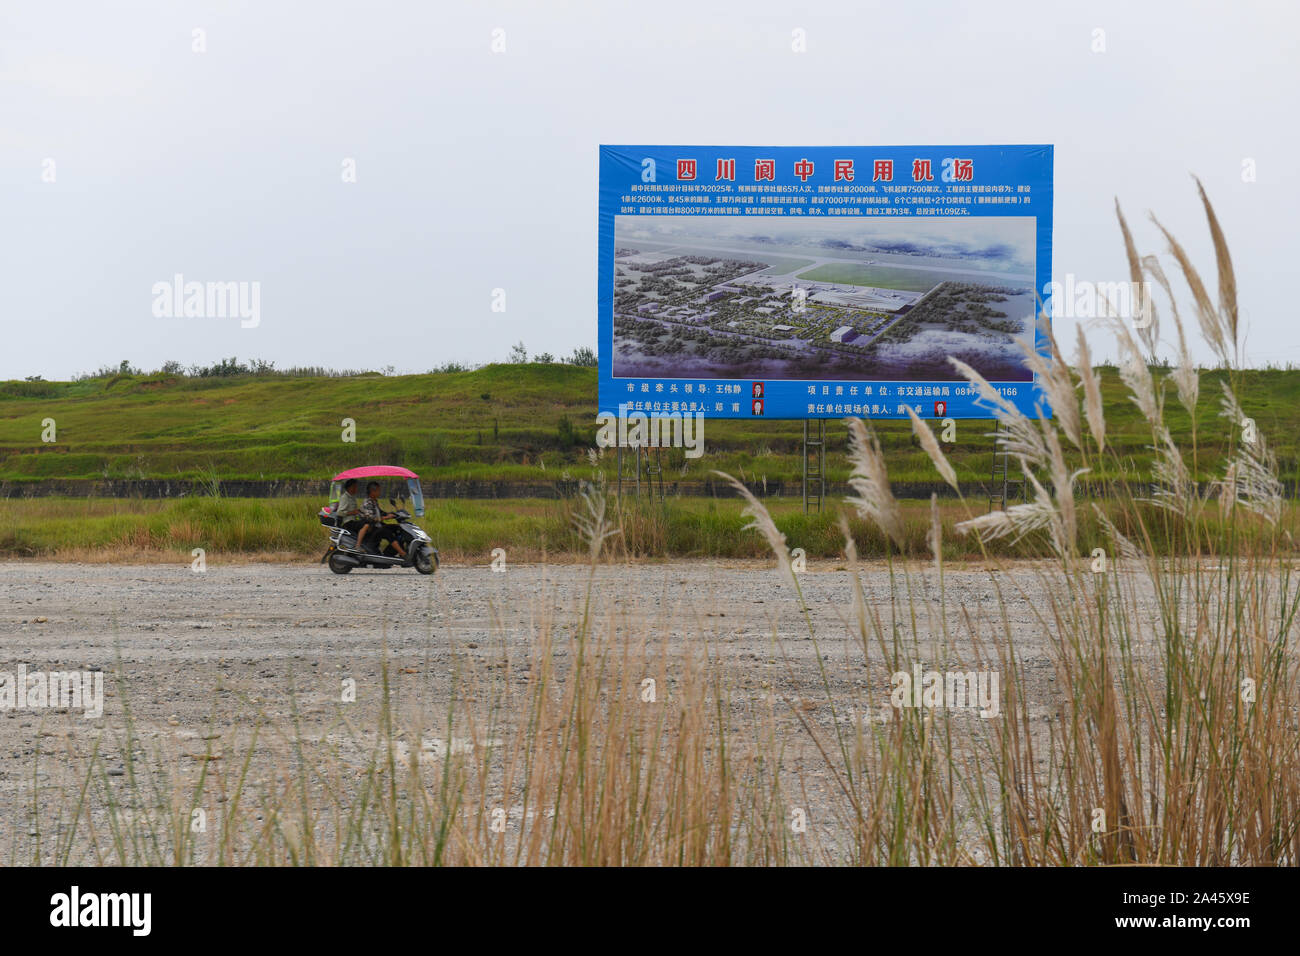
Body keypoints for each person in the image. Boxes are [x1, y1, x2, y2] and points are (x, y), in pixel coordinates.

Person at [357, 481, 406, 557]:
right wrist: (386, 517)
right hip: (372, 527)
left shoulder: (374, 501)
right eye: (379, 490)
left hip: (377, 525)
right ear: (373, 491)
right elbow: (372, 518)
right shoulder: (367, 503)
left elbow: (380, 512)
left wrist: (391, 514)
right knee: (387, 533)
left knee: (397, 528)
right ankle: (403, 554)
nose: (380, 492)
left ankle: (392, 552)